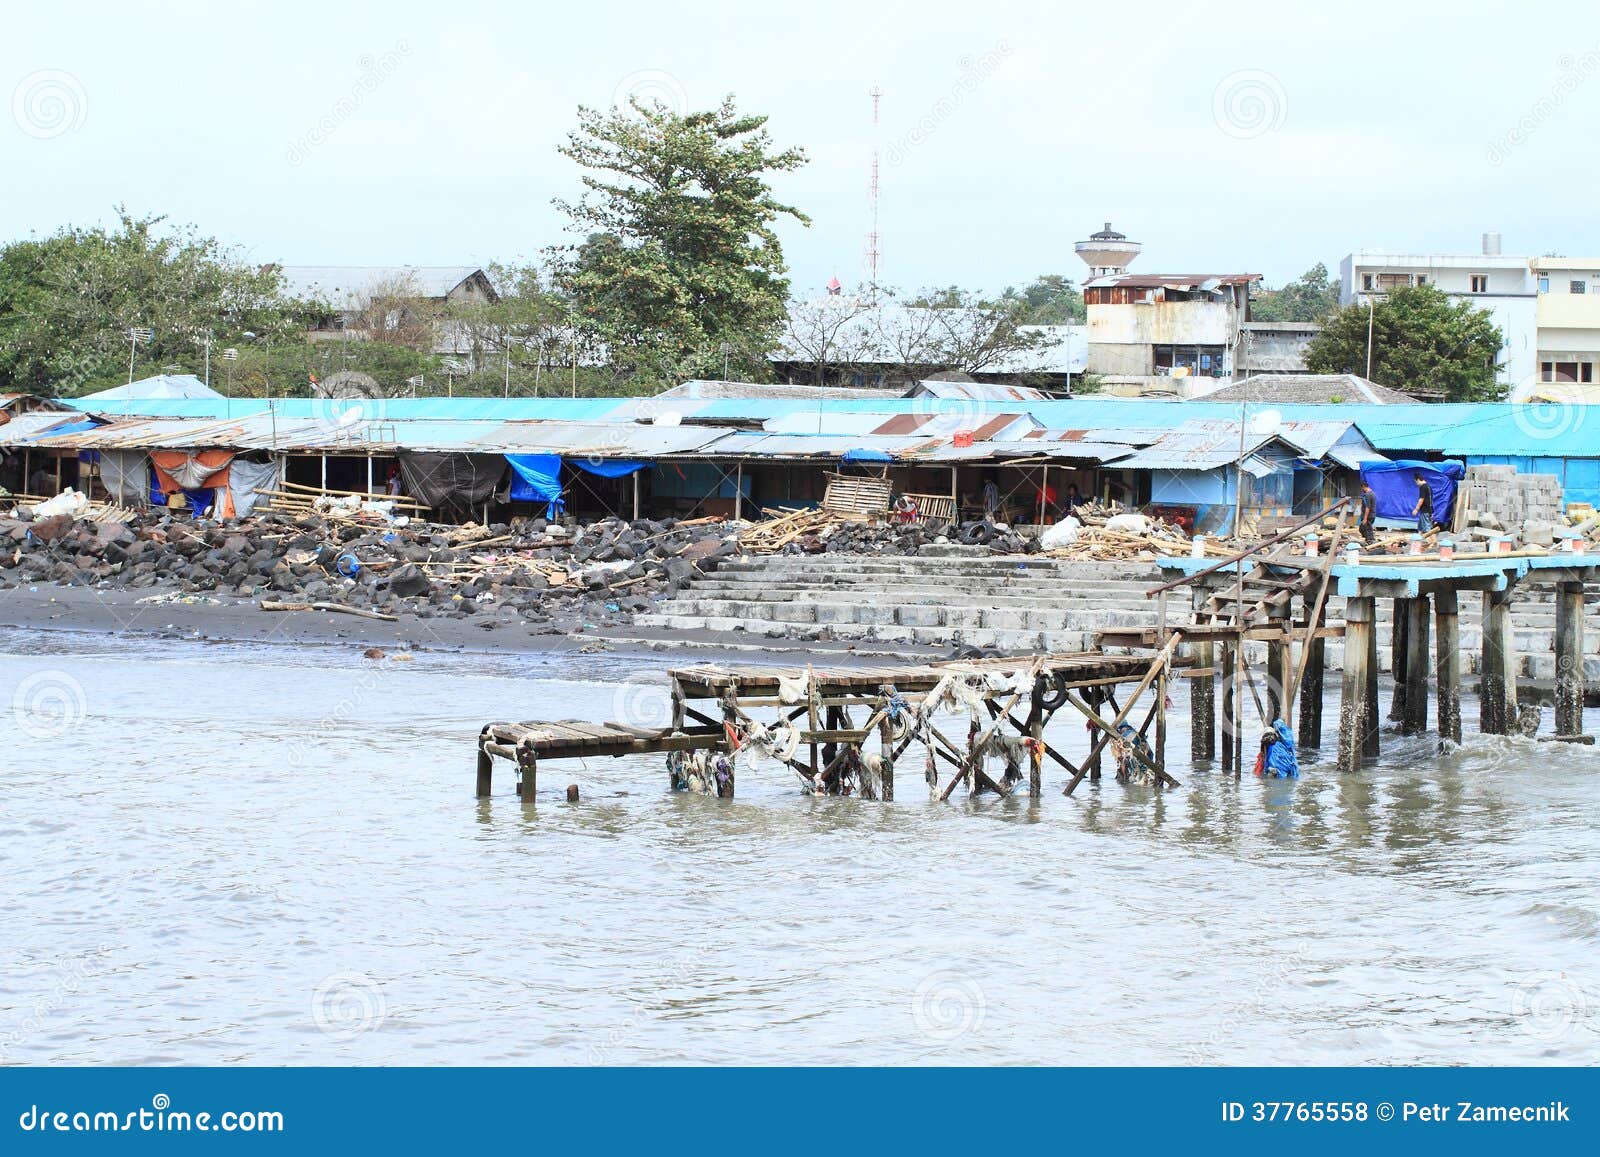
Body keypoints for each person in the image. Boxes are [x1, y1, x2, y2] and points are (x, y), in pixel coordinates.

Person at [1358, 481, 1377, 545]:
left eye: (1362, 488)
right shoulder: (1373, 493)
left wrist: (1365, 518)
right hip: (1372, 515)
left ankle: (1370, 542)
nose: (1362, 490)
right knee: (1363, 529)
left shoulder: (1367, 495)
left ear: (1363, 486)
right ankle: (1368, 541)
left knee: (1367, 530)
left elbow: (1367, 507)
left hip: (1368, 516)